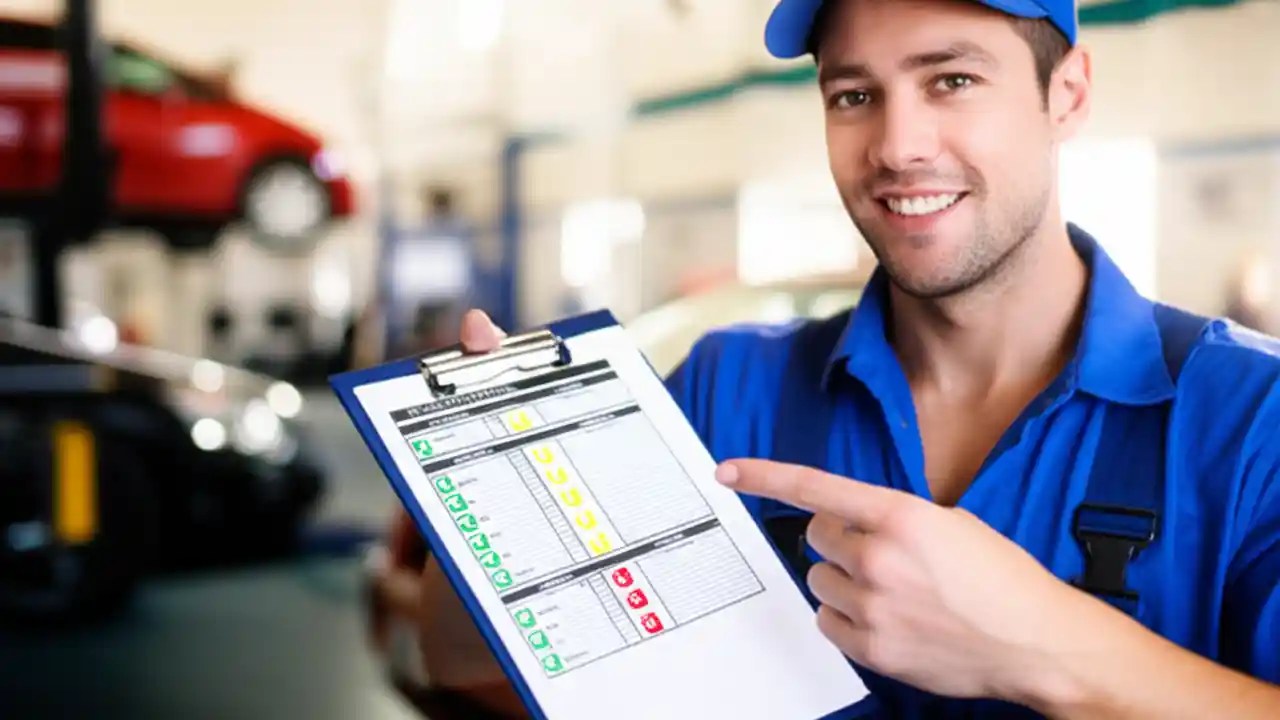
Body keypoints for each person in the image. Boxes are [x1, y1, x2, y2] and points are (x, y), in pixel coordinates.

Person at [389, 0, 1280, 717]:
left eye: (953, 80)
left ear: (1069, 94)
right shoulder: (727, 387)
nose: (897, 146)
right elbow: (456, 657)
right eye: (853, 95)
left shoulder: (1250, 421)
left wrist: (1040, 644)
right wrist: (506, 481)